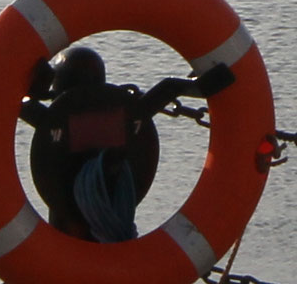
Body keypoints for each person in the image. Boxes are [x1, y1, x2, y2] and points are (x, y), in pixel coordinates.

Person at [17, 44, 235, 243]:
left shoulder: (54, 119)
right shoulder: (128, 114)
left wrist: (30, 90)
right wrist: (201, 85)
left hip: (64, 211)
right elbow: (169, 88)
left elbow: (11, 101)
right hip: (93, 205)